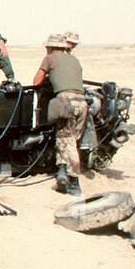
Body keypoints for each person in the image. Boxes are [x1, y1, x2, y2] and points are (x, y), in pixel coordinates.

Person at [34, 33, 87, 195]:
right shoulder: (74, 60)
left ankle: (74, 184)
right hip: (82, 103)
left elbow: (36, 81)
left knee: (67, 141)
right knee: (66, 140)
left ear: (50, 47)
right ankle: (61, 176)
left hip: (66, 101)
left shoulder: (50, 58)